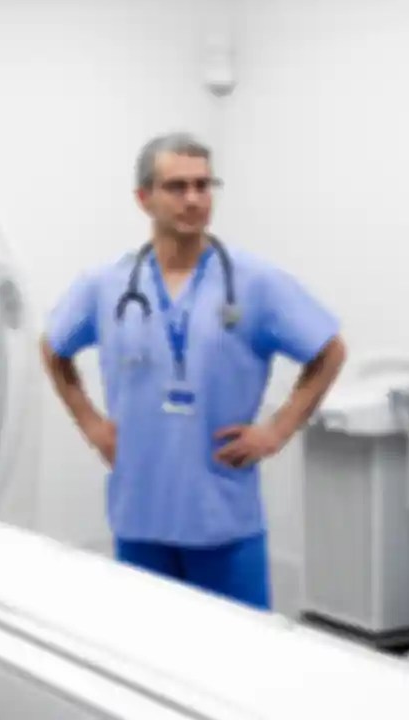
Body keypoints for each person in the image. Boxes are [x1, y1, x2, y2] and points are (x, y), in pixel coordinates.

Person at [40, 132, 346, 611]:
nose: (194, 199)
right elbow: (53, 347)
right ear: (144, 199)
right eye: (177, 187)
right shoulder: (106, 284)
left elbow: (328, 351)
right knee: (147, 659)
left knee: (233, 664)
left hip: (222, 517)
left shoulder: (255, 282)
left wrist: (277, 431)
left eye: (204, 186)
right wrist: (91, 424)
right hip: (140, 515)